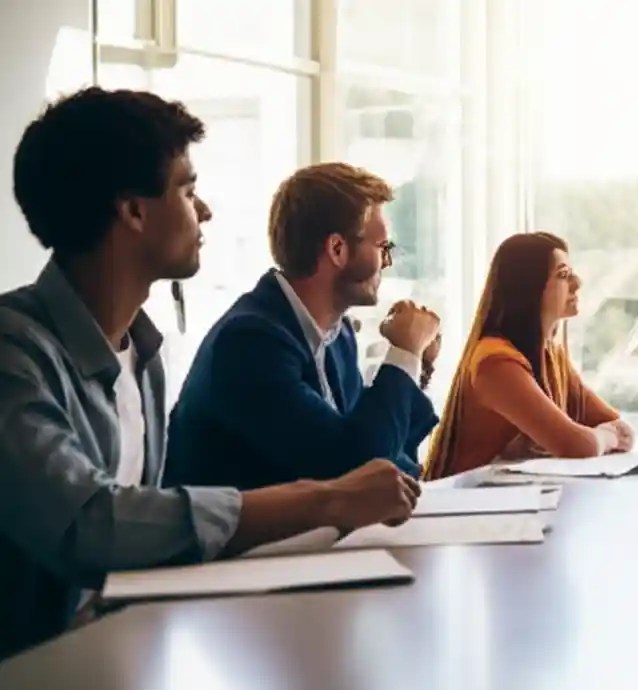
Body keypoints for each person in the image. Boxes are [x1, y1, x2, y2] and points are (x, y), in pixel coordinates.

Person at [0, 88, 419, 659]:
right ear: (134, 211)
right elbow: (89, 524)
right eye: (187, 189)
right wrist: (323, 499)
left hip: (115, 652)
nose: (204, 210)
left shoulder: (142, 353)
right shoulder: (14, 351)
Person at [165, 163, 441, 490]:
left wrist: (415, 363)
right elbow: (355, 468)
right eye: (382, 248)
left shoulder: (338, 334)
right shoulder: (250, 342)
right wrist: (404, 352)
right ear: (337, 249)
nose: (386, 263)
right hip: (242, 541)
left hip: (306, 539)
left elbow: (388, 456)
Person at [423, 232, 633, 480]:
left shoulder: (551, 354)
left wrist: (601, 436)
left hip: (509, 504)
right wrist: (606, 437)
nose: (577, 282)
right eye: (564, 275)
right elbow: (578, 445)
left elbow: (620, 428)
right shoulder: (495, 362)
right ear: (528, 288)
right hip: (463, 507)